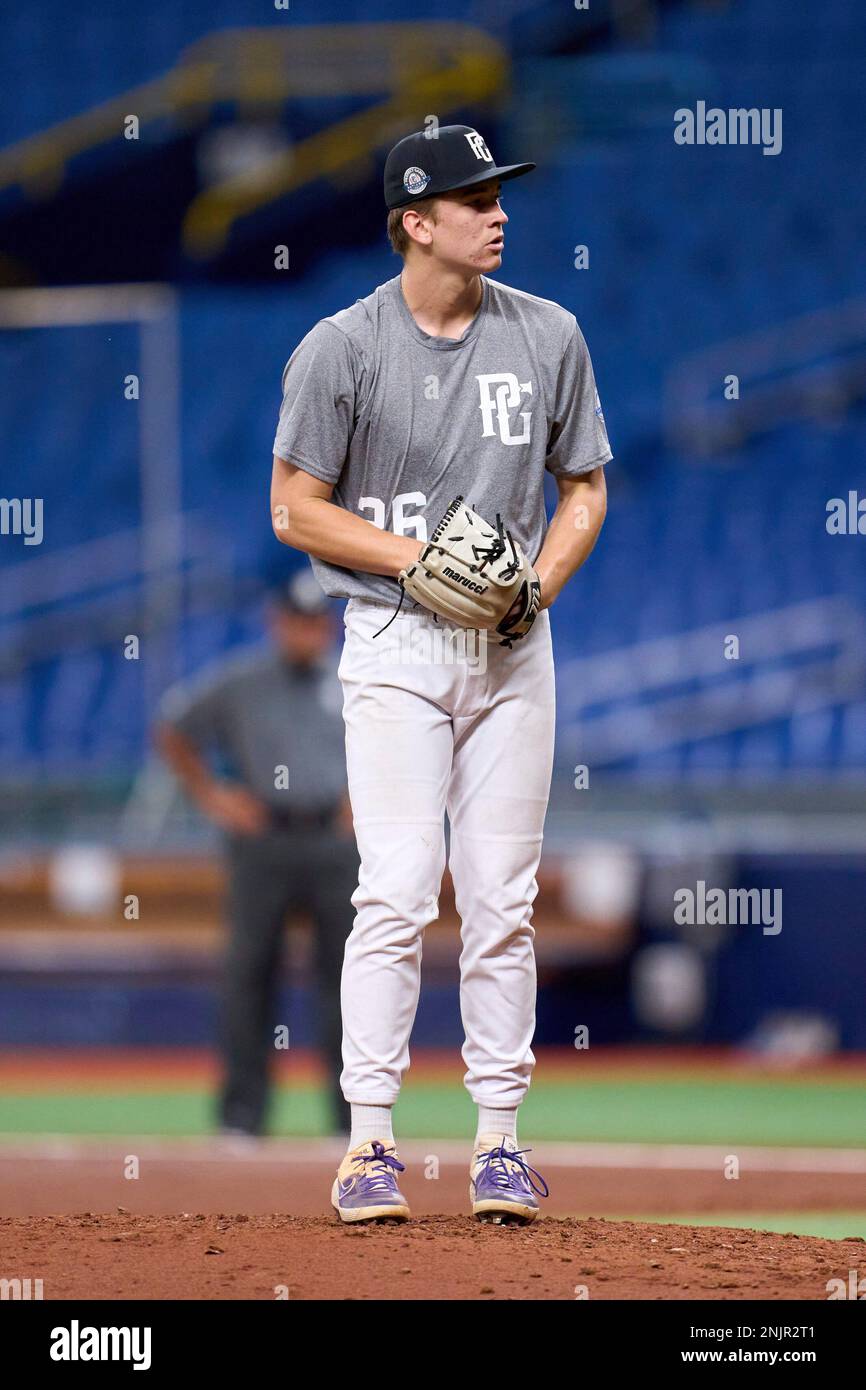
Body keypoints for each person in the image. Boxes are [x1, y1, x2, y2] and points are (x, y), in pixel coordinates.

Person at [270, 125, 611, 1222]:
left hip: (513, 647)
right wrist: (417, 559)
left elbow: (585, 490)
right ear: (414, 222)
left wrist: (536, 588)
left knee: (503, 903)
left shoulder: (549, 333)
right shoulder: (342, 346)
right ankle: (368, 1144)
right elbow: (293, 507)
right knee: (397, 889)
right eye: (471, 198)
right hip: (392, 640)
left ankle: (498, 1146)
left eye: (497, 192)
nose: (496, 210)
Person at [154, 571, 357, 1138]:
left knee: (348, 982)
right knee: (248, 976)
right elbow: (173, 728)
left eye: (316, 623)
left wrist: (361, 802)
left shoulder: (351, 679)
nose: (305, 633)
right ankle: (241, 1120)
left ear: (329, 628)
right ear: (276, 622)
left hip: (332, 842)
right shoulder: (242, 681)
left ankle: (354, 1120)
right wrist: (213, 796)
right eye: (296, 621)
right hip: (263, 840)